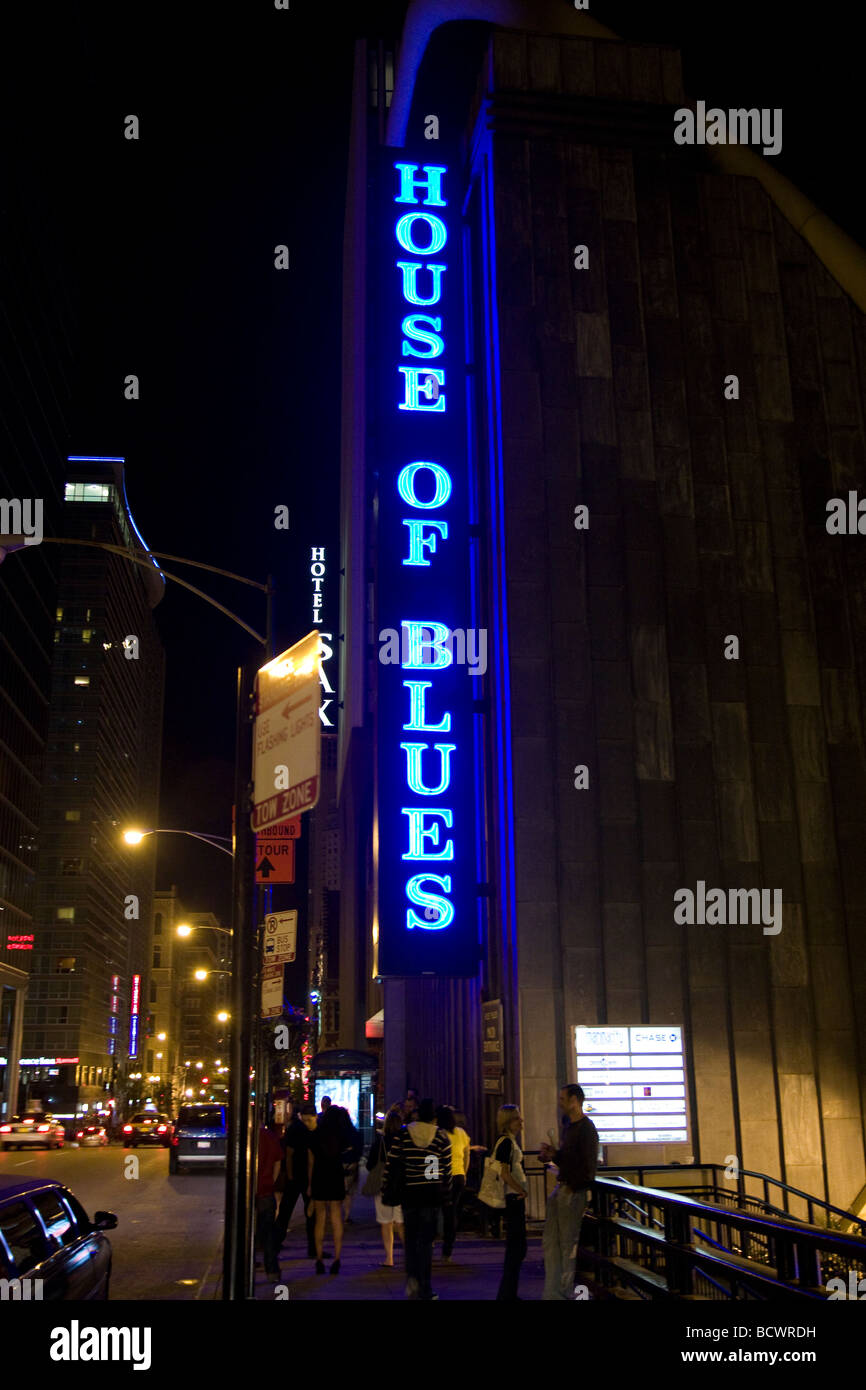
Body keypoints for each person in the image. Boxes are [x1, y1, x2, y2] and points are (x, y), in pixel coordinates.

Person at [382, 1097, 451, 1300]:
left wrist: (387, 1186)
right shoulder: (440, 1137)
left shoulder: (404, 1133)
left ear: (418, 1113)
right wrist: (446, 1195)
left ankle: (412, 1279)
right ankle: (426, 1287)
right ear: (434, 1117)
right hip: (431, 1195)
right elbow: (445, 1170)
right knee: (426, 1242)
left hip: (410, 1194)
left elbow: (392, 1163)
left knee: (410, 1240)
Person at [539, 1083, 599, 1300]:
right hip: (564, 1189)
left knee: (565, 1245)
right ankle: (554, 1291)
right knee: (553, 1243)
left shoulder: (586, 1129)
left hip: (572, 1191)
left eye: (563, 1099)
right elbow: (572, 1160)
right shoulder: (571, 1127)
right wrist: (554, 1154)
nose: (560, 1103)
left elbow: (587, 1166)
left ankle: (561, 1292)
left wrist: (573, 1184)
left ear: (575, 1100)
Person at [492, 1104, 528, 1300]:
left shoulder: (509, 1142)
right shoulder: (506, 1143)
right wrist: (520, 1189)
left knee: (516, 1247)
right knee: (517, 1247)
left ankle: (508, 1293)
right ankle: (507, 1294)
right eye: (517, 1118)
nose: (521, 1122)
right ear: (508, 1121)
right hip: (513, 1198)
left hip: (513, 1197)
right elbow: (504, 1173)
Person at [307, 1102, 346, 1275]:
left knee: (320, 1219)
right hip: (335, 1176)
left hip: (319, 1177)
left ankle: (319, 1259)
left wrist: (309, 1184)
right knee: (336, 1217)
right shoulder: (340, 1136)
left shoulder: (315, 1135)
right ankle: (337, 1258)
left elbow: (310, 1161)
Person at [275, 1102, 317, 1256]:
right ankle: (313, 1247)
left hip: (297, 1175)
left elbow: (289, 1152)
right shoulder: (310, 1129)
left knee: (286, 1211)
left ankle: (276, 1242)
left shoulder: (296, 1128)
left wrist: (290, 1174)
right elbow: (292, 1153)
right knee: (310, 1213)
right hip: (304, 1175)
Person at [368, 1104, 405, 1266]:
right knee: (401, 1222)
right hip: (401, 1184)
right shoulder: (404, 1140)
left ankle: (389, 1258)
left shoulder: (380, 1142)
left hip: (383, 1184)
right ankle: (409, 1255)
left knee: (386, 1222)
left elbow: (370, 1164)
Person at [435, 1105, 470, 1262]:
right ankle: (447, 1249)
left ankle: (433, 1242)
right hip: (458, 1176)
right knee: (452, 1213)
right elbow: (466, 1152)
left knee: (437, 1209)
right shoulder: (461, 1133)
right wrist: (464, 1170)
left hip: (443, 1176)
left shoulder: (438, 1134)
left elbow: (434, 1157)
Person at [255, 1118, 284, 1283]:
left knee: (249, 1233)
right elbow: (278, 1161)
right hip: (266, 1190)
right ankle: (272, 1271)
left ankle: (248, 1264)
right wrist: (271, 1181)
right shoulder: (269, 1137)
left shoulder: (247, 1137)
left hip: (249, 1191)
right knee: (268, 1235)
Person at [340, 1108, 364, 1223]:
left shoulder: (337, 1133)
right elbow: (359, 1150)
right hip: (352, 1164)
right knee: (349, 1192)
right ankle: (347, 1215)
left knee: (339, 1191)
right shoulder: (354, 1132)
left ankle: (337, 1214)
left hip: (339, 1164)